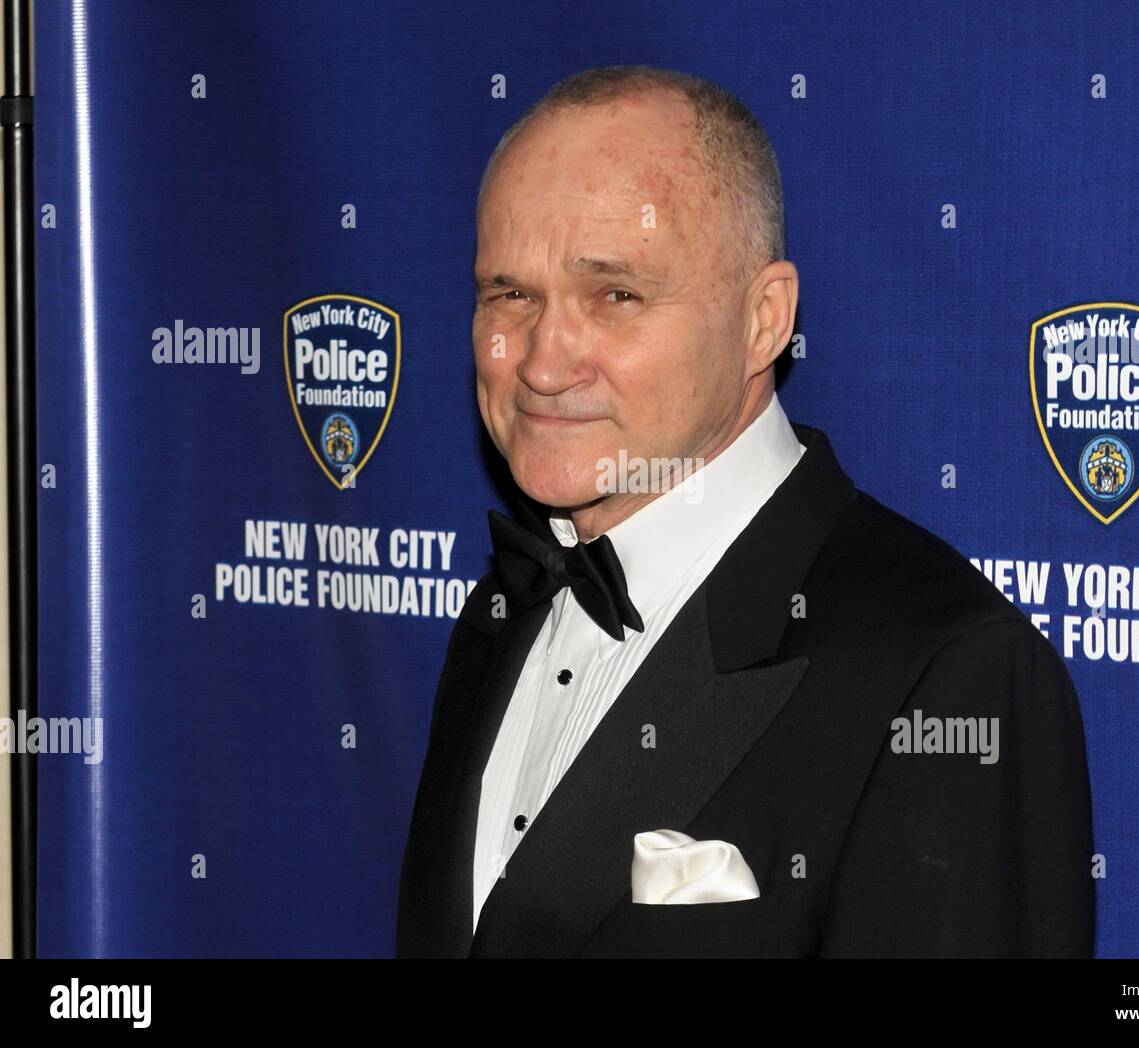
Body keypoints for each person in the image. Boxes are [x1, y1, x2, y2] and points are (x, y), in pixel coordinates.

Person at [396, 65, 1094, 958]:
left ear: (765, 320)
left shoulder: (946, 671)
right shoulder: (503, 611)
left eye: (615, 295)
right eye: (510, 294)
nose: (539, 361)